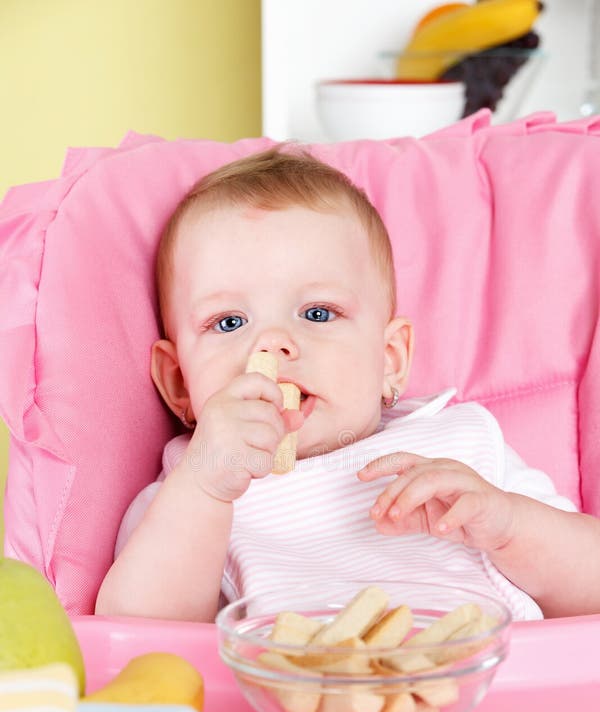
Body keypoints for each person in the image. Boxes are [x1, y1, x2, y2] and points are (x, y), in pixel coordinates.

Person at [95, 146, 600, 623]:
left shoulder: (461, 447)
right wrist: (205, 490)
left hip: (502, 692)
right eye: (228, 322)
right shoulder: (193, 489)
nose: (271, 344)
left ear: (389, 360)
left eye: (317, 313)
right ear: (180, 383)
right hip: (297, 707)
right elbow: (140, 637)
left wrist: (509, 528)